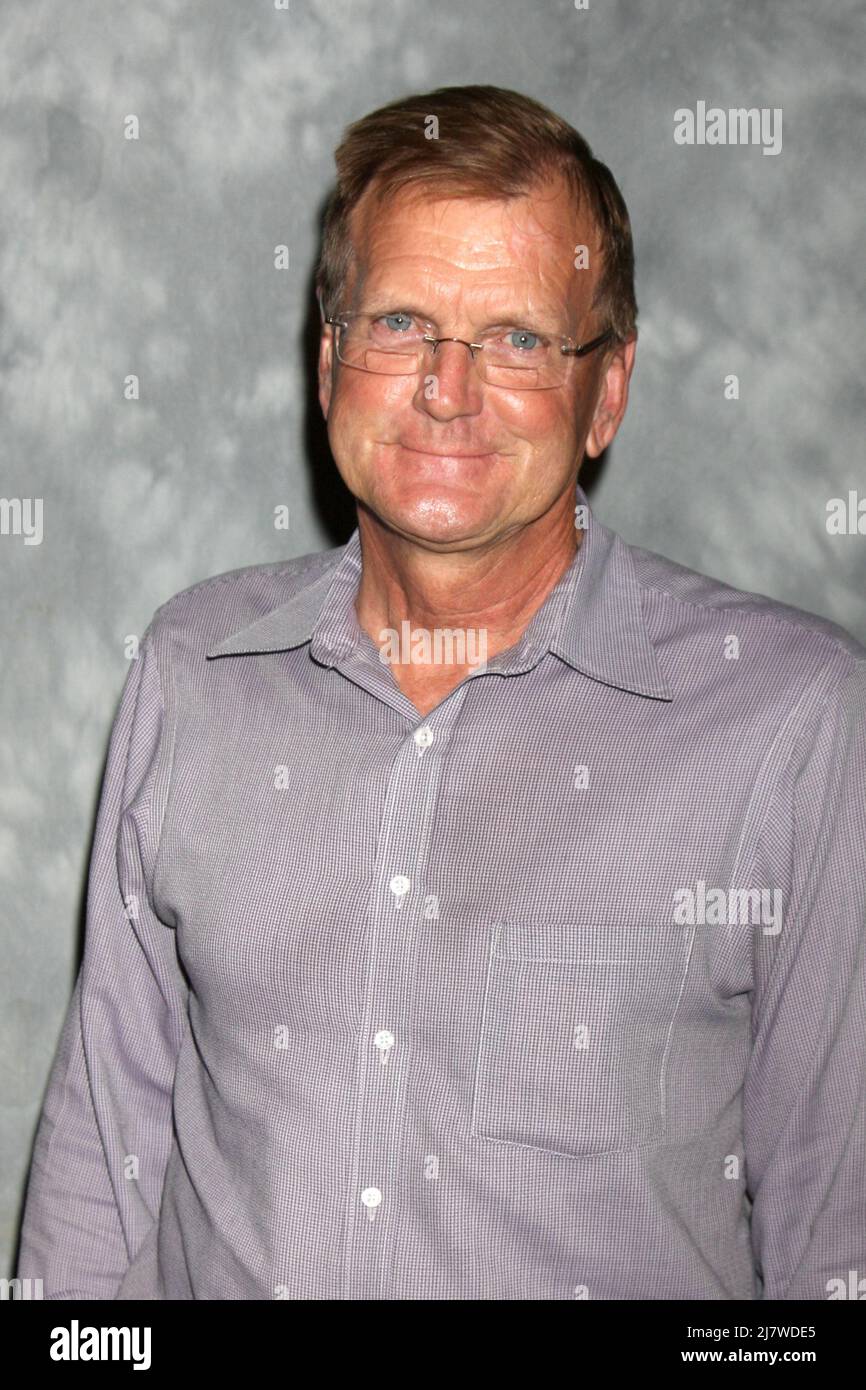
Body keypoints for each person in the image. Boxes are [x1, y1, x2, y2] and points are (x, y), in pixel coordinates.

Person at [18, 83, 866, 1300]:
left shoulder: (789, 721)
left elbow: (834, 1232)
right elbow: (99, 1183)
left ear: (605, 391)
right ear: (329, 362)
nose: (445, 388)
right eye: (402, 323)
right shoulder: (191, 674)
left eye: (518, 338)